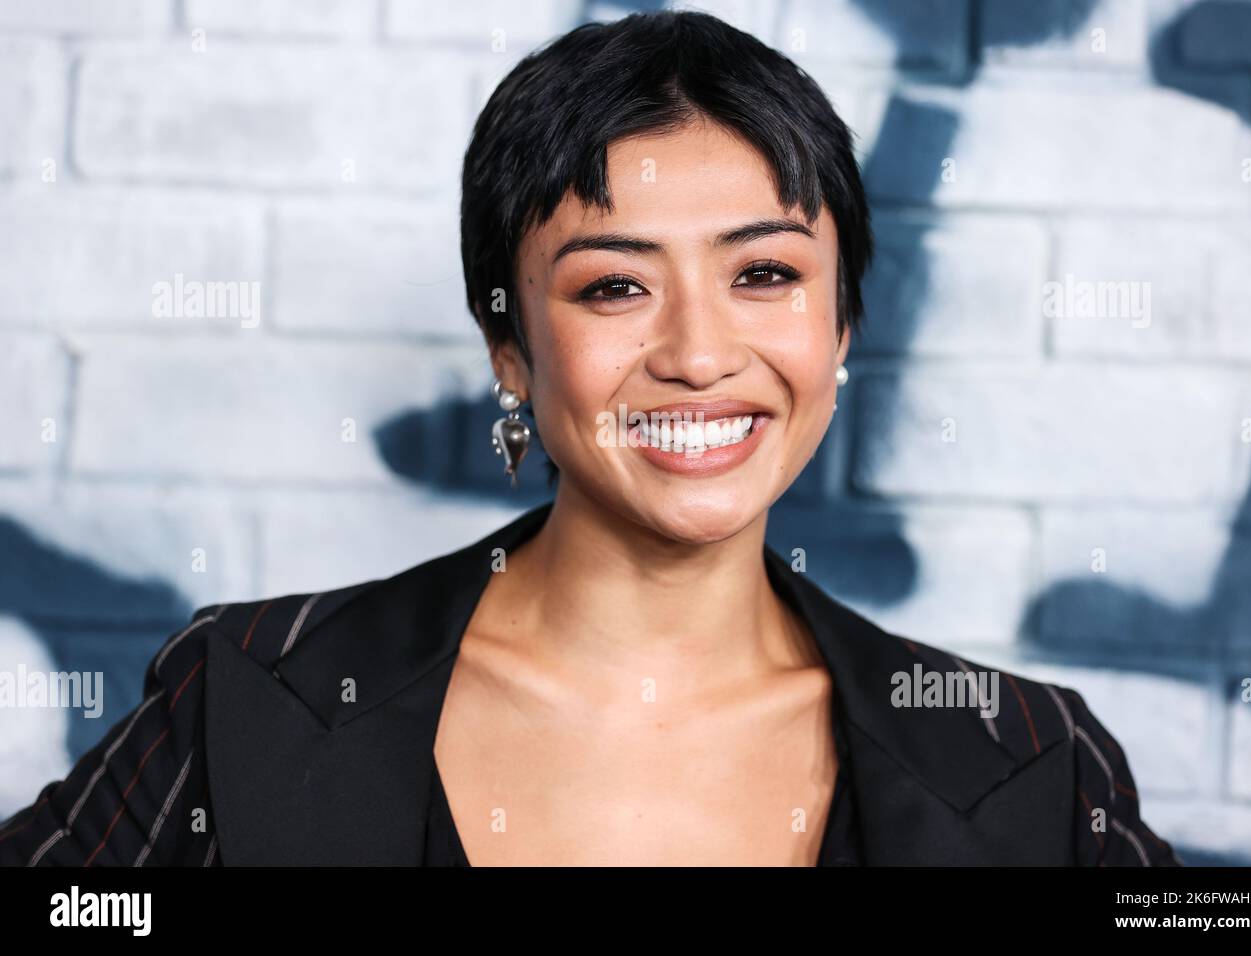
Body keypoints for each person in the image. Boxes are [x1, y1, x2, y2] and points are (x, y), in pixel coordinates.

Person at [0, 10, 1180, 867]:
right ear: (509, 349)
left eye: (764, 273)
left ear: (842, 326)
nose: (701, 352)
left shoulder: (1026, 760)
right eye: (614, 288)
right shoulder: (252, 696)